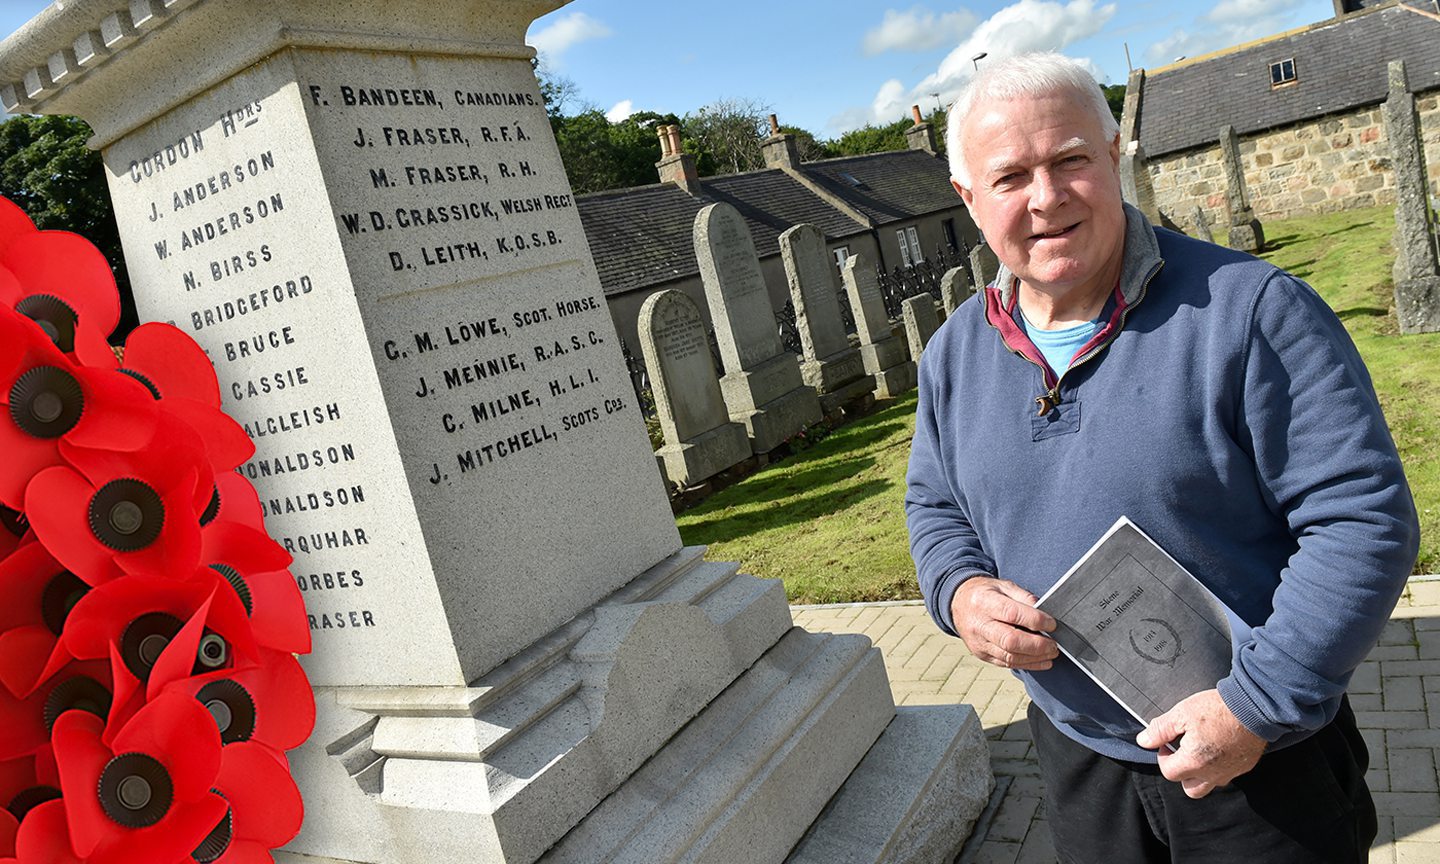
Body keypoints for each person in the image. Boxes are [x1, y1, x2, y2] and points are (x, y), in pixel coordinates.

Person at [905, 51, 1420, 863]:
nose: (1046, 198)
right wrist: (959, 592)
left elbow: (1363, 523)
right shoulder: (952, 355)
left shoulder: (1252, 313)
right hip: (1078, 758)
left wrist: (1255, 707)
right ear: (969, 199)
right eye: (1011, 178)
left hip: (1259, 765)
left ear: (1114, 159)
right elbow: (934, 503)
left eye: (1070, 160)